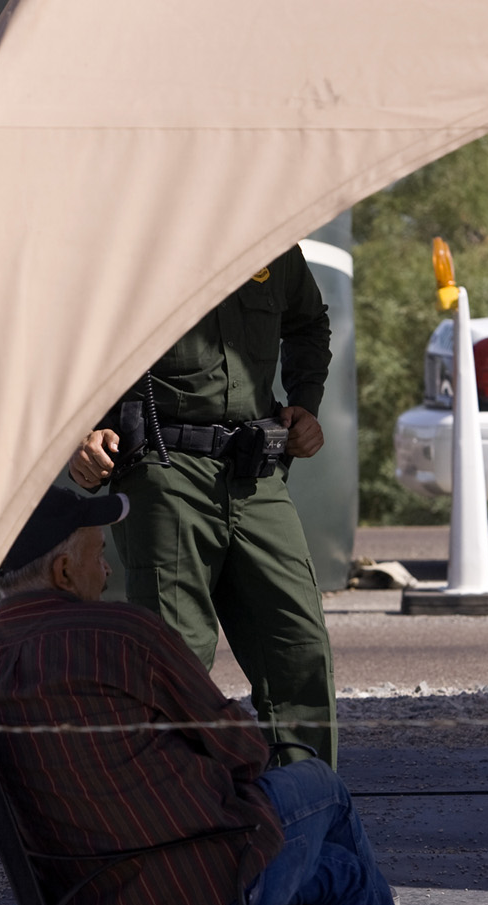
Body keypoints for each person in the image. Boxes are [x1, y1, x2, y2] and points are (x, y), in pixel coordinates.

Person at [0, 489, 430, 905]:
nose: (107, 568)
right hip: (194, 882)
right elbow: (243, 750)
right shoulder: (123, 635)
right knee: (326, 796)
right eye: (100, 555)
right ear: (64, 569)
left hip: (78, 900)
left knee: (334, 859)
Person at [68, 245, 337, 765]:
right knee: (177, 660)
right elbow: (70, 340)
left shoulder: (275, 239)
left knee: (298, 648)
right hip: (166, 475)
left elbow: (309, 323)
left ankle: (310, 811)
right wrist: (82, 431)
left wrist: (305, 401)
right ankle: (180, 823)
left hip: (257, 474)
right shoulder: (133, 239)